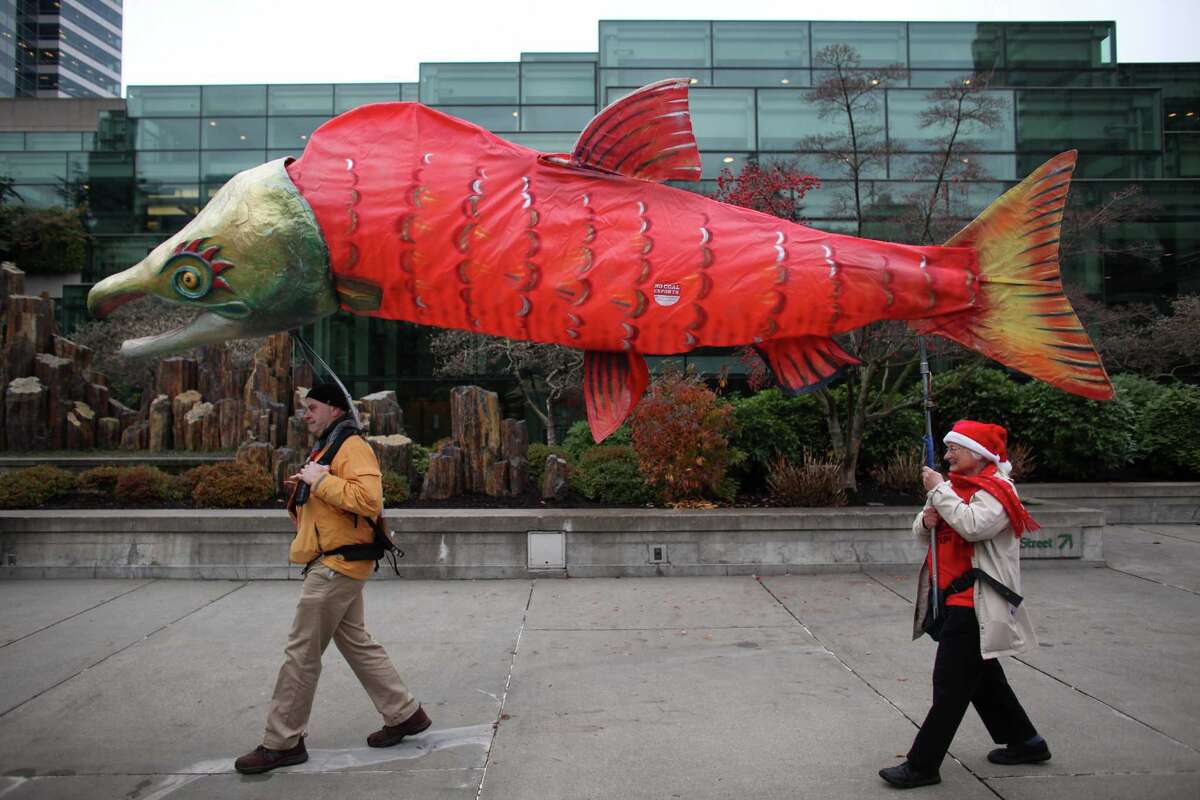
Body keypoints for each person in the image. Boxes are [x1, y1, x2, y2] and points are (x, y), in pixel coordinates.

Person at [234, 381, 430, 774]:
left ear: (334, 408)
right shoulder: (330, 445)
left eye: (312, 407)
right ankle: (404, 713)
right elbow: (332, 501)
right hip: (336, 561)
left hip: (336, 567)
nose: (305, 414)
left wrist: (320, 481)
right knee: (356, 642)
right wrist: (308, 487)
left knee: (301, 654)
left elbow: (369, 501)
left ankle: (283, 741)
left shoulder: (351, 445)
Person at [879, 420, 1050, 789]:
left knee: (950, 684)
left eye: (954, 448)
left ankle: (922, 765)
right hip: (951, 597)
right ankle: (1026, 741)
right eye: (947, 448)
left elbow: (974, 526)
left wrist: (939, 491)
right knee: (983, 678)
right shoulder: (952, 488)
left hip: (976, 601)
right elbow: (922, 531)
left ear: (978, 453)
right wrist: (925, 520)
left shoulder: (999, 490)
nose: (947, 455)